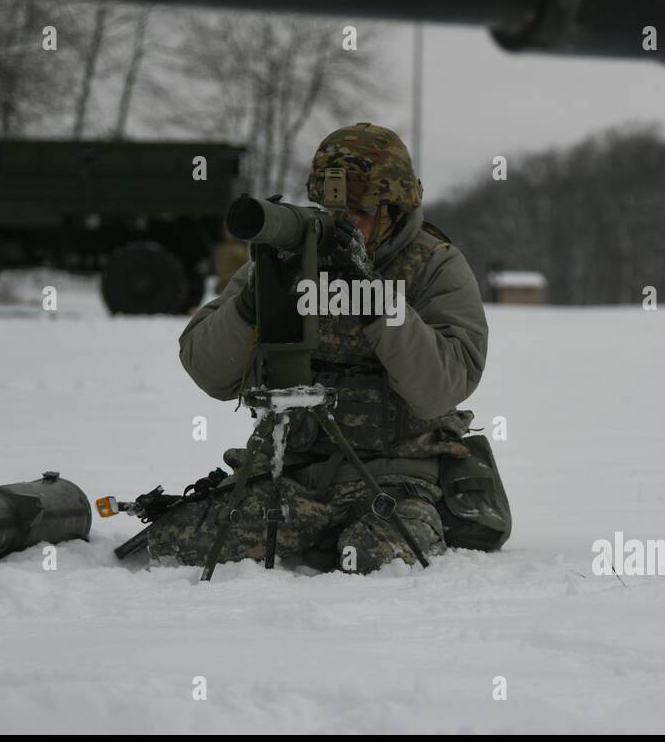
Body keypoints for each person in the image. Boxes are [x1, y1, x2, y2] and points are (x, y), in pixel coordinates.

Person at [147, 122, 489, 573]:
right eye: (332, 209)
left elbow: (441, 387)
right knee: (171, 543)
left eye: (359, 212)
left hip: (396, 475)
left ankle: (324, 544)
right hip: (291, 472)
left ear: (393, 210)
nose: (342, 224)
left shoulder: (434, 266)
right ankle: (316, 535)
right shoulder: (294, 257)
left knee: (372, 560)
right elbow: (210, 372)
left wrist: (375, 301)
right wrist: (254, 302)